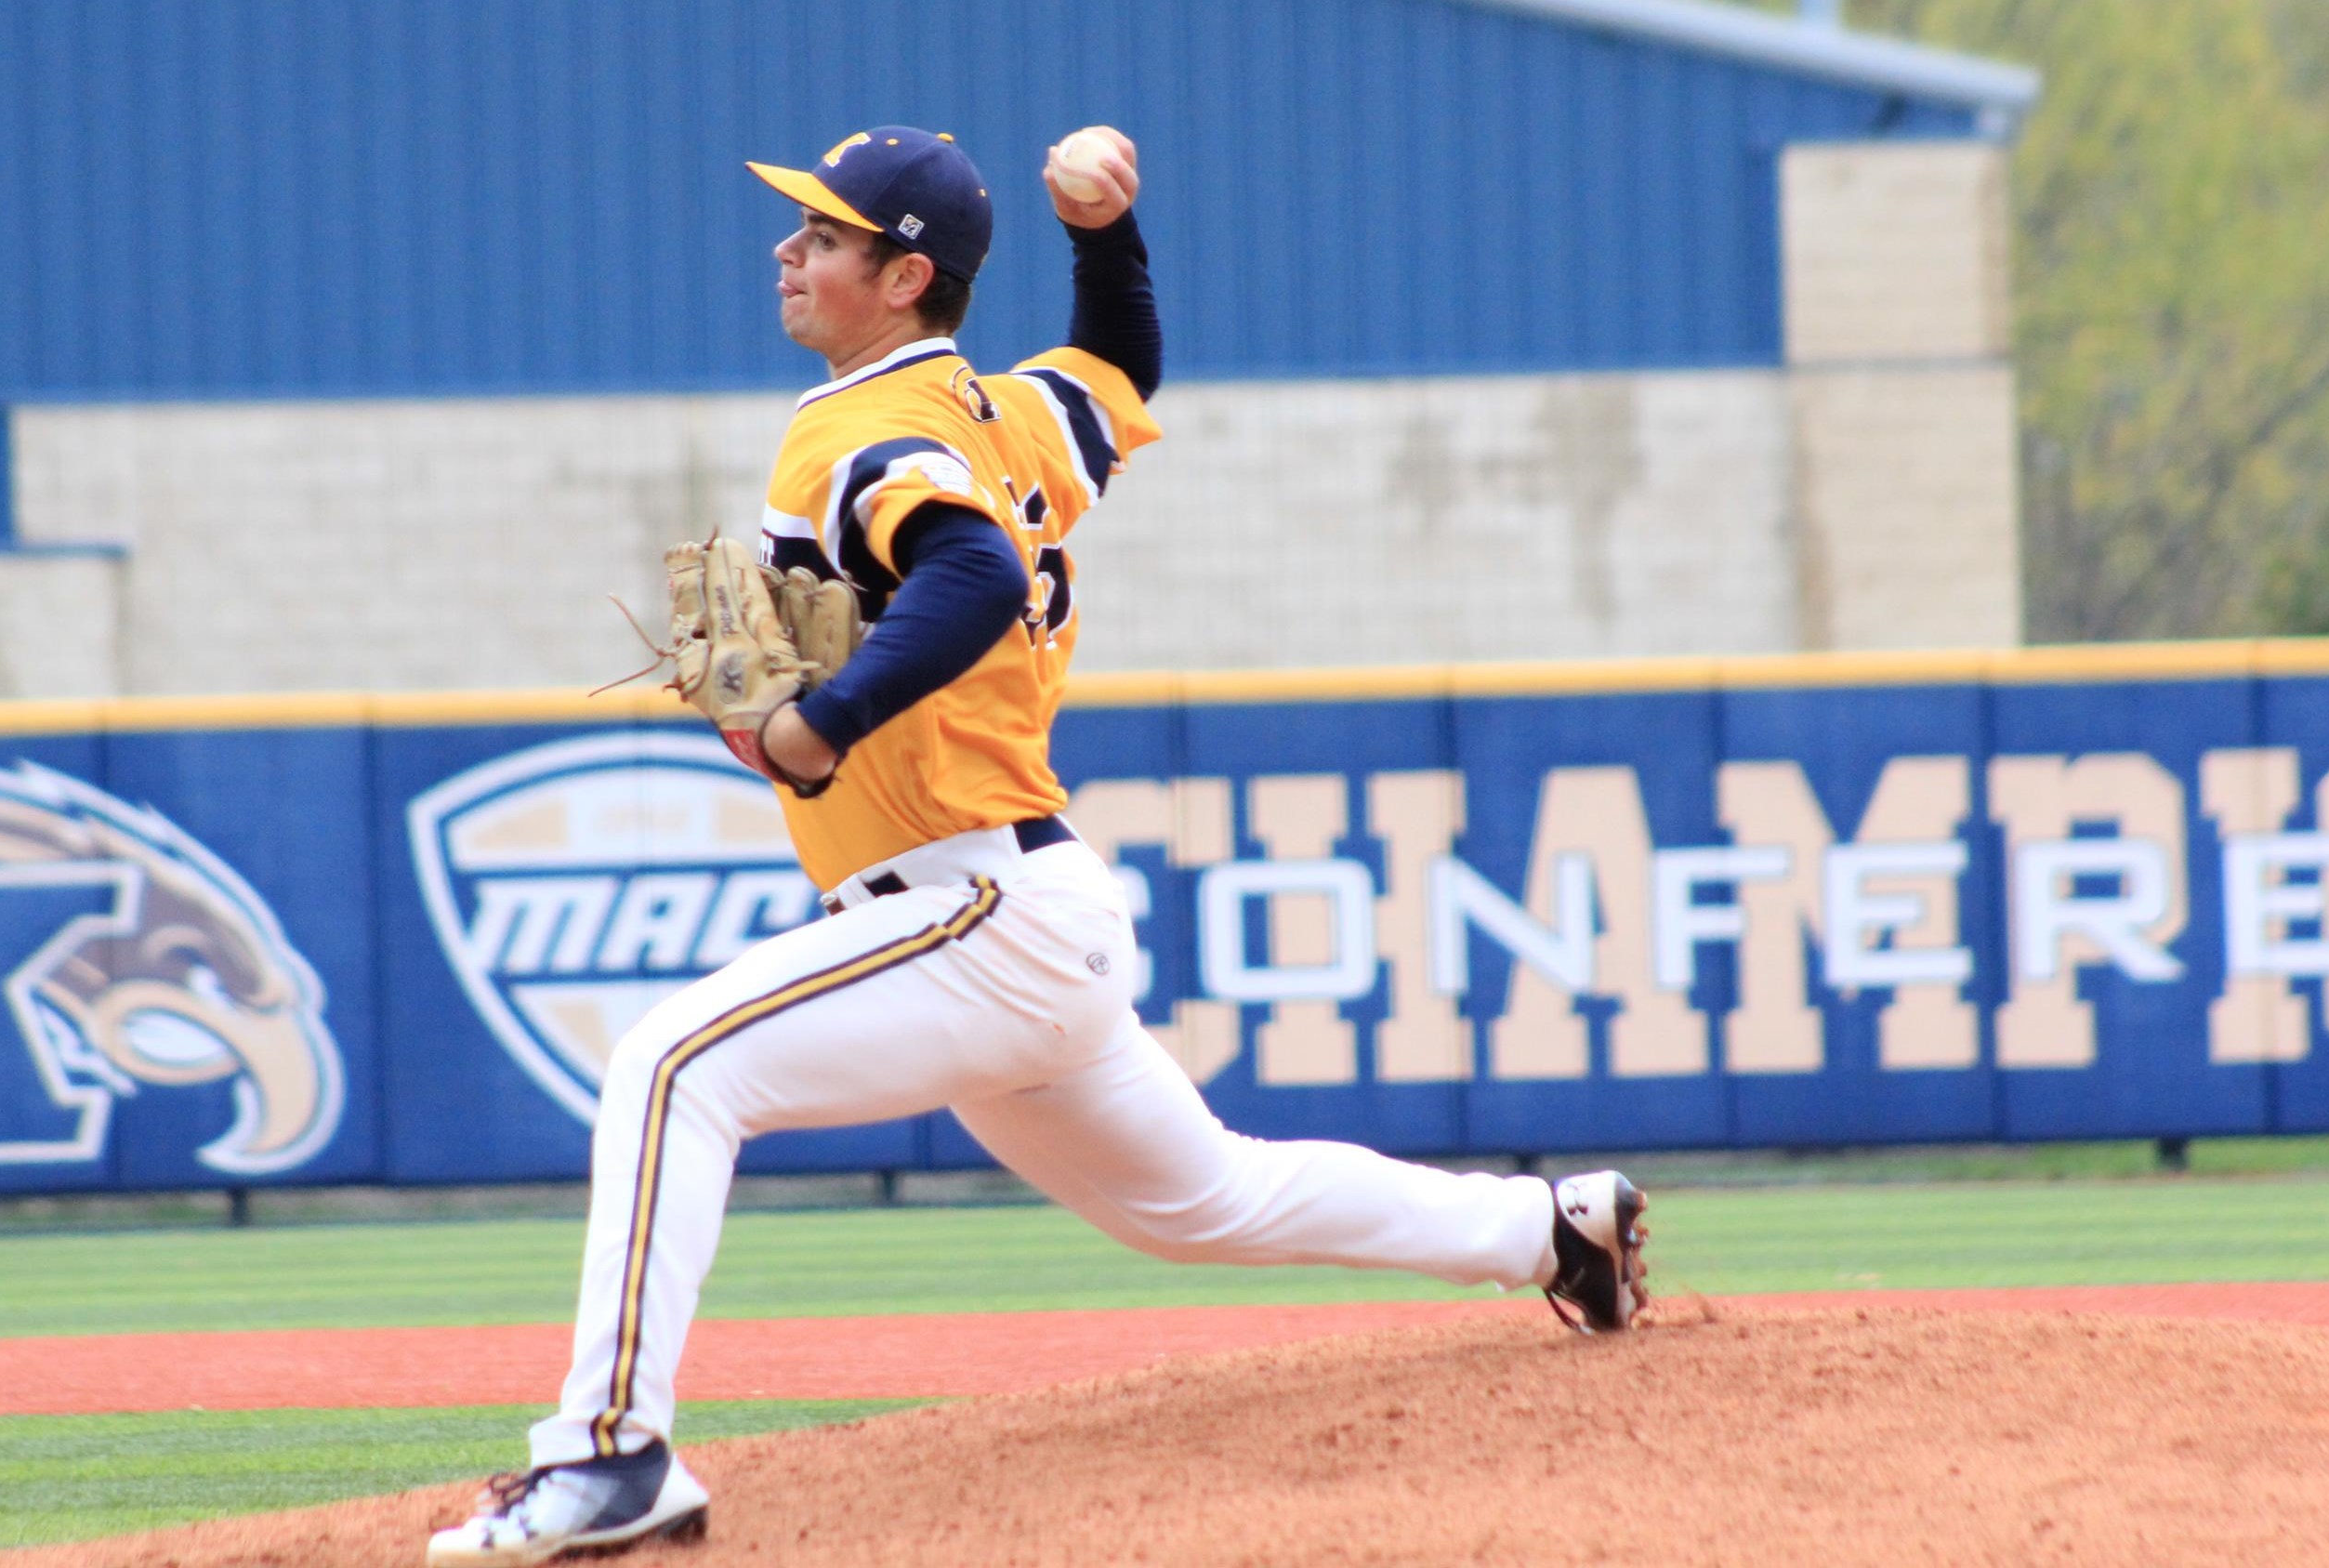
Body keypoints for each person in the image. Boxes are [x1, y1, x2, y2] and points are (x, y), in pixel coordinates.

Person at [426, 125, 1649, 1567]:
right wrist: (1104, 234)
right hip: (1017, 913)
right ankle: (1555, 1233)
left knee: (672, 1066)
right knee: (1208, 1199)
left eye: (823, 236)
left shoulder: (858, 434)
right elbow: (1120, 364)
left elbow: (975, 569)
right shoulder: (1011, 417)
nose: (789, 251)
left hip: (973, 907)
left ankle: (612, 1456)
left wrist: (828, 725)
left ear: (905, 275)